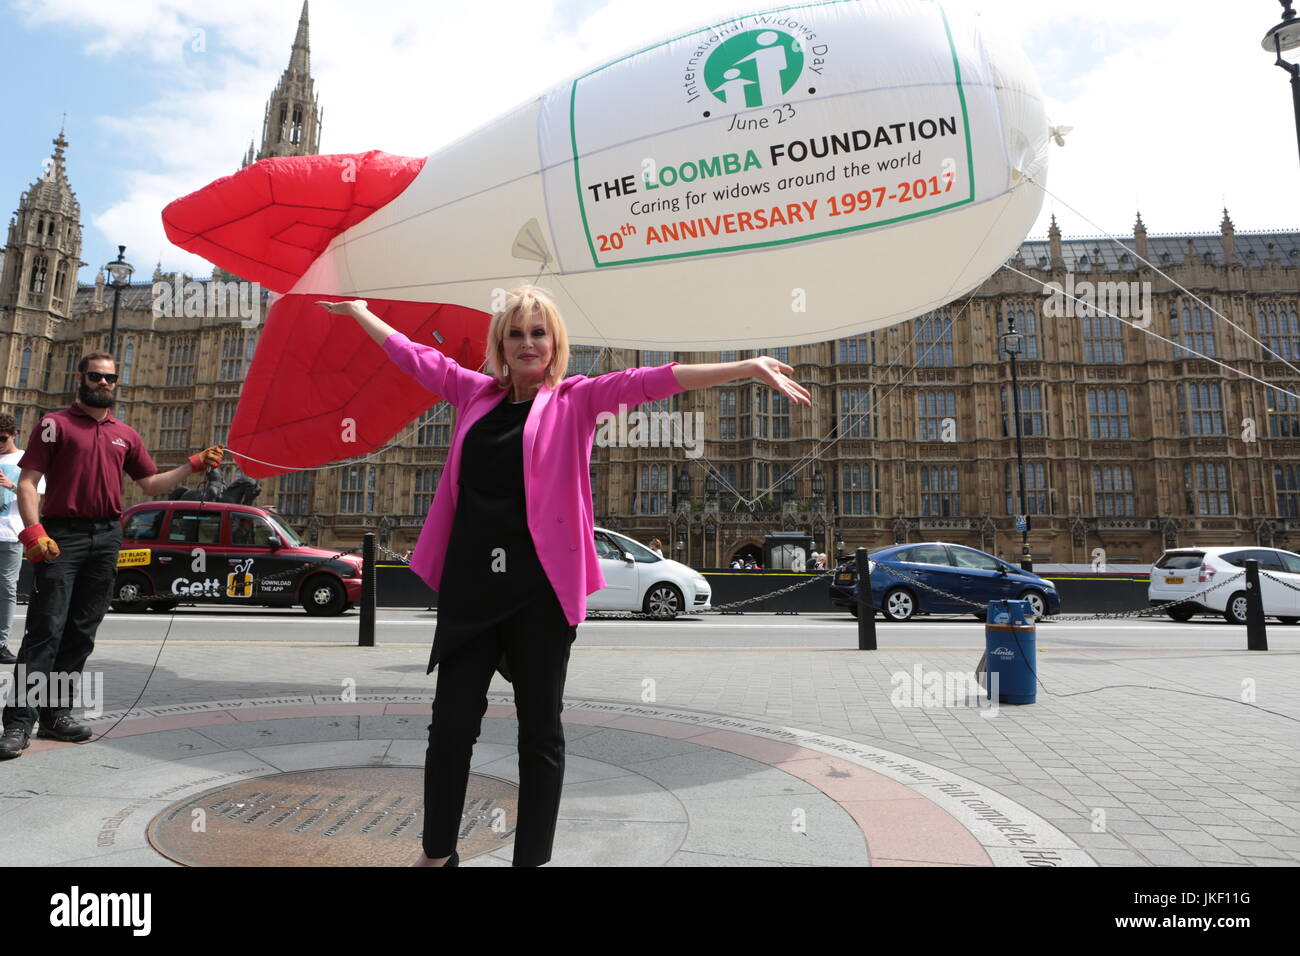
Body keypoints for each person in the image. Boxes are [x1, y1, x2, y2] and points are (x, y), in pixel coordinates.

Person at [317, 288, 810, 867]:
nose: (528, 342)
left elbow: (655, 379)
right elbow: (414, 357)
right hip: (473, 592)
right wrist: (359, 313)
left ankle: (532, 861)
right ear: (501, 343)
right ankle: (436, 855)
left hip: (538, 595)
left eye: (539, 333)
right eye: (517, 332)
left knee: (540, 735)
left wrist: (748, 366)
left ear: (555, 346)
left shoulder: (576, 401)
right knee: (449, 731)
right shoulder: (473, 393)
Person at [0, 353, 223, 760]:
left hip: (106, 536)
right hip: (62, 534)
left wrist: (190, 465)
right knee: (46, 629)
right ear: (80, 378)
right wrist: (33, 530)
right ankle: (18, 721)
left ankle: (56, 713)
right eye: (96, 376)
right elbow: (29, 482)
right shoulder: (54, 425)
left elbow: (151, 484)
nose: (103, 383)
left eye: (110, 378)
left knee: (81, 632)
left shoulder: (126, 434)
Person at [0, 415, 46, 666]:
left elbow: (38, 494)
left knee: (6, 589)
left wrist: (11, 486)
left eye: (3, 439)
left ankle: (0, 642)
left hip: (11, 534)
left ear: (14, 435)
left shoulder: (24, 459)